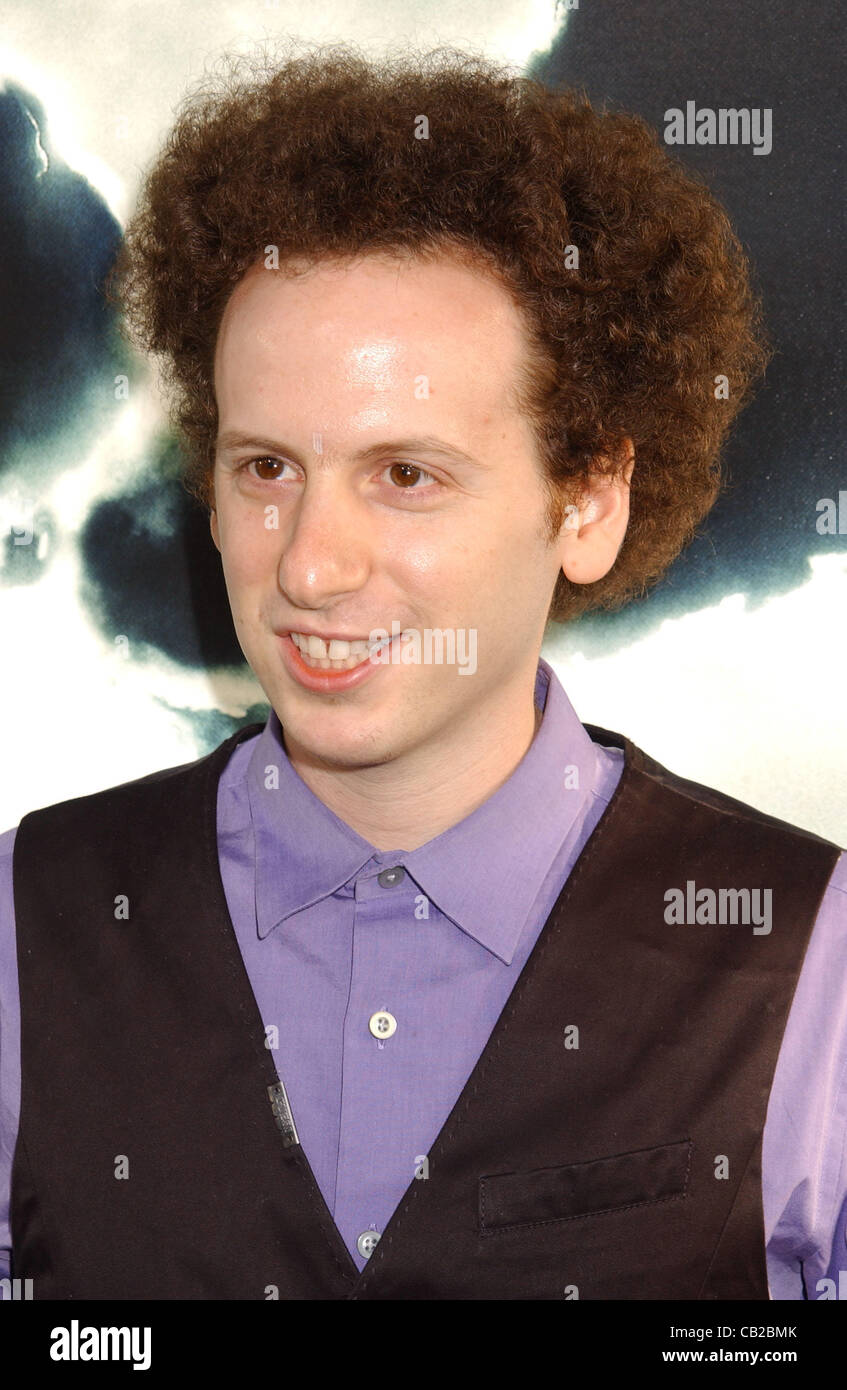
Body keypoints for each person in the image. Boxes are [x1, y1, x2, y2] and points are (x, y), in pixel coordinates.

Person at [1, 44, 844, 1302]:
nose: (311, 566)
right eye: (265, 467)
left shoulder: (814, 965)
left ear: (590, 500)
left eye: (406, 474)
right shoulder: (27, 928)